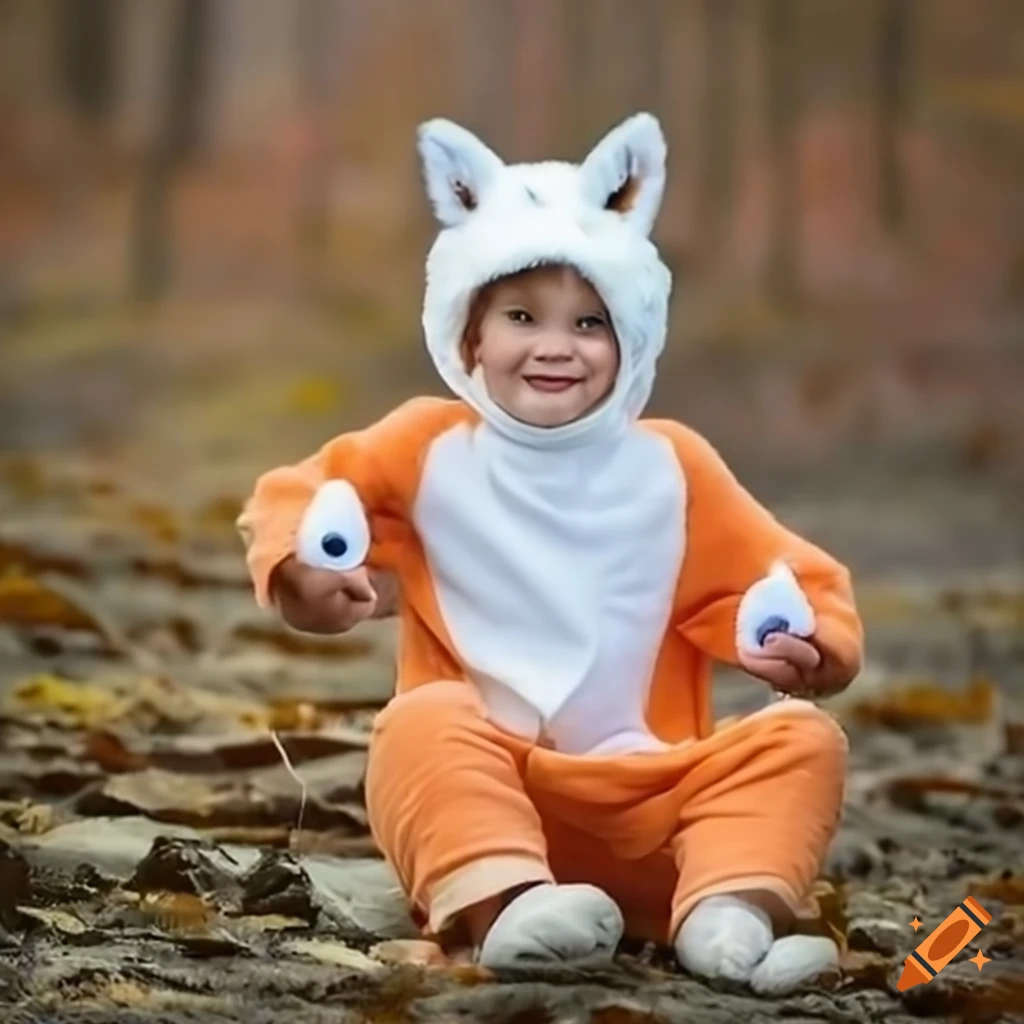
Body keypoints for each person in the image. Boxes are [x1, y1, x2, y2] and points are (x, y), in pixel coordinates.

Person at [236, 113, 863, 994]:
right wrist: (306, 576)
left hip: (652, 800)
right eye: (522, 316)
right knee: (418, 722)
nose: (556, 346)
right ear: (471, 337)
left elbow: (785, 575)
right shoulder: (425, 448)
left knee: (801, 740)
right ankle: (509, 908)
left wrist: (812, 646)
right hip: (490, 795)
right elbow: (295, 498)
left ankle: (728, 912)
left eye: (591, 322)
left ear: (632, 338)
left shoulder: (672, 466)